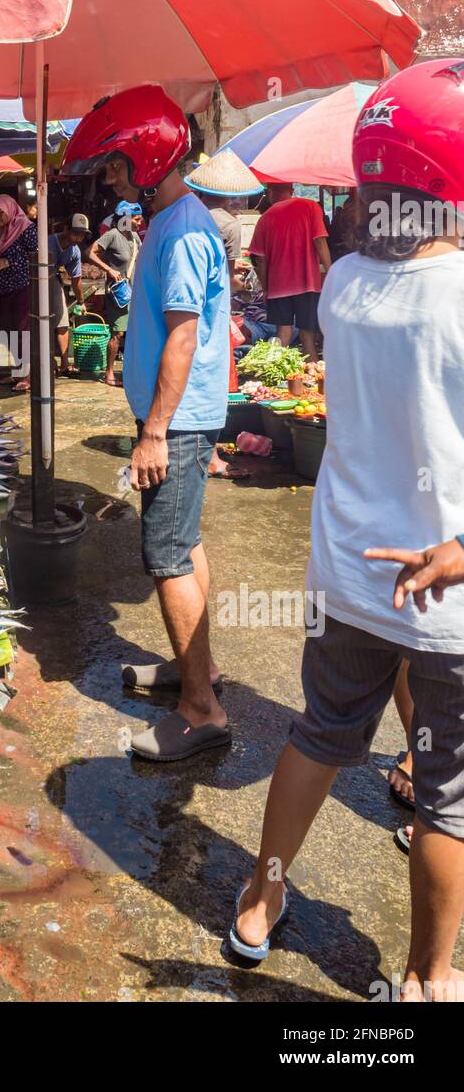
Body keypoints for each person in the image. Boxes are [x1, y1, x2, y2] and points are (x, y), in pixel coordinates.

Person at [230, 61, 464, 1001]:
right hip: (444, 591)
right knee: (447, 798)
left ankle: (257, 899)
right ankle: (426, 978)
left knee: (322, 736)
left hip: (344, 572)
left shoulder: (343, 285)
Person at [66, 86, 231, 762]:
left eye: (114, 163)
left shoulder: (186, 229)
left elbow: (184, 338)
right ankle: (195, 666)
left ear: (146, 157)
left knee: (162, 555)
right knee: (183, 543)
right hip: (175, 416)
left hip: (180, 421)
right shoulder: (164, 221)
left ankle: (200, 709)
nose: (108, 176)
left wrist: (154, 430)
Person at [185, 152, 265, 480]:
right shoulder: (229, 224)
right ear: (231, 193)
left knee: (189, 375)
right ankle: (213, 455)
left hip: (184, 306)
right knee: (216, 380)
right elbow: (230, 279)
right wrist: (242, 280)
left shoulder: (188, 214)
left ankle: (190, 445)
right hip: (213, 310)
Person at [248, 182, 331, 362]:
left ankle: (275, 378)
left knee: (282, 335)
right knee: (307, 337)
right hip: (307, 283)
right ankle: (313, 379)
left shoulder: (265, 218)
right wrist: (331, 271)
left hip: (278, 287)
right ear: (292, 190)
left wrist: (266, 287)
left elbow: (260, 260)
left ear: (270, 193)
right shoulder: (310, 206)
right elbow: (320, 242)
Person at [0, 194, 38, 392]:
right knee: (8, 330)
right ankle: (18, 372)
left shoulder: (26, 228)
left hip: (23, 287)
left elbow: (38, 254)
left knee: (23, 331)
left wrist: (9, 262)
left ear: (10, 209)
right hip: (4, 288)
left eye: (1, 212)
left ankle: (27, 376)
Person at [88, 201, 142, 388]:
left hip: (135, 291)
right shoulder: (112, 235)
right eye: (136, 219)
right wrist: (108, 270)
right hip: (118, 293)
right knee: (117, 332)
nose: (140, 222)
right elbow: (91, 253)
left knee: (133, 332)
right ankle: (109, 372)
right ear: (126, 219)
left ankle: (132, 370)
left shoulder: (135, 237)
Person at [49, 213, 88, 375]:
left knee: (63, 322)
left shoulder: (75, 252)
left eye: (81, 235)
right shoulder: (49, 242)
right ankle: (48, 361)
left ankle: (65, 364)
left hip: (53, 280)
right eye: (75, 233)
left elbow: (76, 279)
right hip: (37, 279)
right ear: (65, 229)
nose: (77, 238)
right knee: (42, 324)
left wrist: (80, 301)